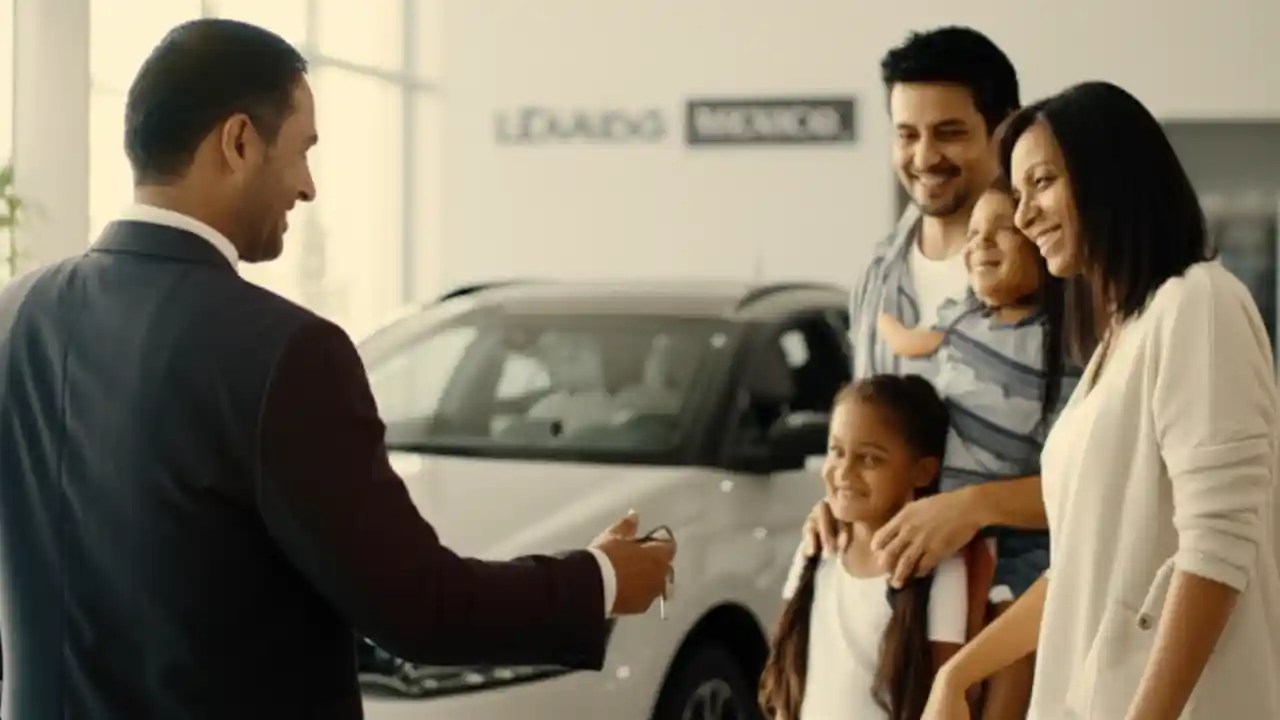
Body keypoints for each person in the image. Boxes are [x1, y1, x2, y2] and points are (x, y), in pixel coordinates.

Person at [0, 19, 675, 718]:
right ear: (238, 142)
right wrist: (602, 580)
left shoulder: (14, 315)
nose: (308, 187)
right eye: (302, 151)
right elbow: (420, 608)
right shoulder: (284, 350)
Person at [923, 81, 1280, 719]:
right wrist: (957, 673)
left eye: (1042, 182)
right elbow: (1081, 571)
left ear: (1110, 174)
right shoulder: (1122, 335)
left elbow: (1217, 551)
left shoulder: (1198, 303)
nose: (1024, 214)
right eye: (1018, 190)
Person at [806, 22, 1049, 673]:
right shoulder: (877, 279)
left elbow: (1115, 482)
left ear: (1003, 133)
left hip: (1020, 633)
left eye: (949, 132)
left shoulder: (1061, 283)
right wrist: (835, 505)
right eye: (907, 134)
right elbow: (868, 434)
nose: (924, 156)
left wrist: (974, 507)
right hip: (889, 628)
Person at [877, 179, 1077, 718]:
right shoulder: (959, 315)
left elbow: (1075, 483)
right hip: (948, 527)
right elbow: (915, 342)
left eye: (1003, 231)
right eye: (975, 232)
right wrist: (888, 327)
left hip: (1026, 535)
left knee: (1010, 650)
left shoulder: (1066, 346)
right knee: (942, 641)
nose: (982, 242)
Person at [759, 375, 972, 720]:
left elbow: (943, 699)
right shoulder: (817, 547)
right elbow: (787, 670)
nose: (844, 470)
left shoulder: (942, 568)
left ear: (923, 471)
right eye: (836, 451)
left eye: (870, 459)